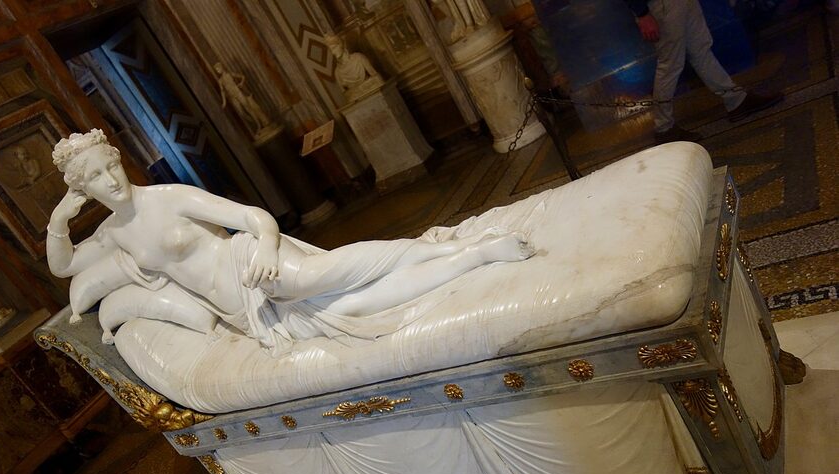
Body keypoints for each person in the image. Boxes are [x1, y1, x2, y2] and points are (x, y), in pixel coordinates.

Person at [47, 130, 533, 352]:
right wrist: (59, 221)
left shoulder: (169, 197)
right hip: (246, 313)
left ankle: (452, 249)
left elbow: (253, 217)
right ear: (83, 189)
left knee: (320, 277)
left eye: (110, 164)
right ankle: (472, 256)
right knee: (355, 310)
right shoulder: (111, 235)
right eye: (95, 177)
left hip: (254, 265)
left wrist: (262, 245)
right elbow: (63, 268)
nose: (111, 179)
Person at [624, 0, 783, 143]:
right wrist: (642, 13)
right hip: (663, 4)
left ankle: (736, 99)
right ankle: (663, 127)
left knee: (701, 50)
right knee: (670, 64)